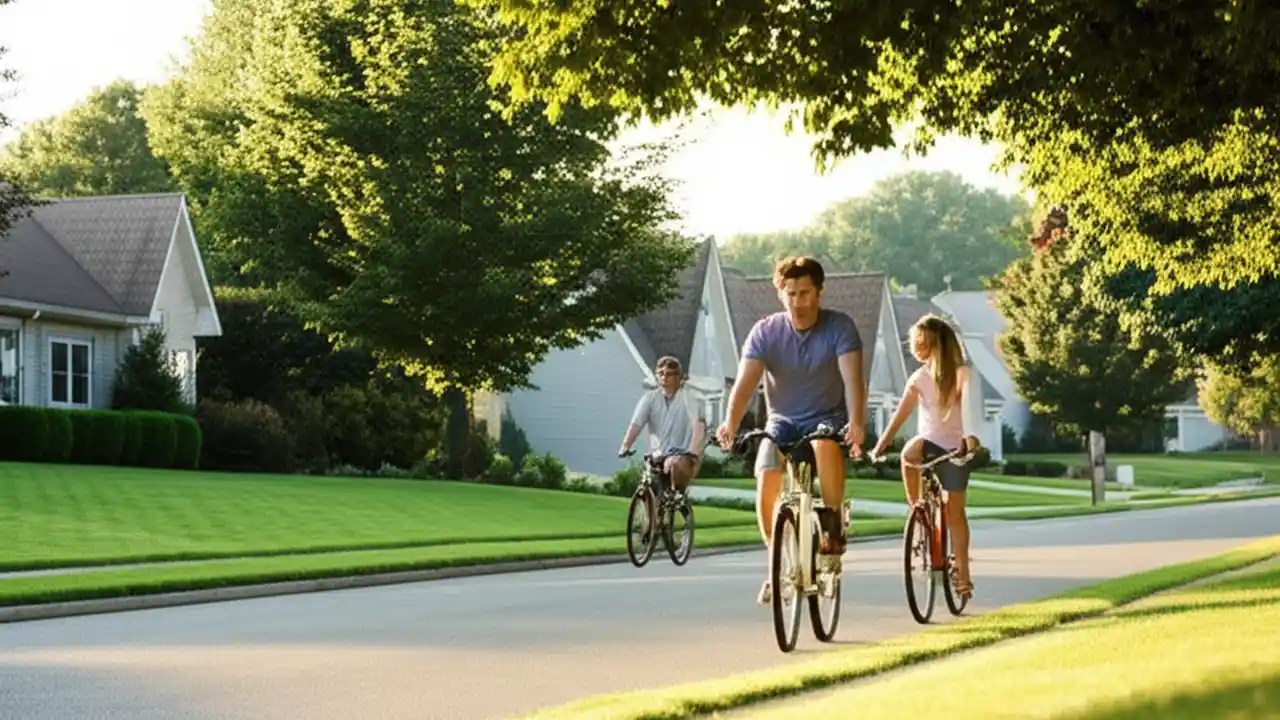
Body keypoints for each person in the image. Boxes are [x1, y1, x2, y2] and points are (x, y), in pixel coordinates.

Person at [715, 256, 866, 605]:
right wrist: (730, 423)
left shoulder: (840, 327)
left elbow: (853, 381)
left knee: (825, 442)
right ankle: (776, 563)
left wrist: (857, 423)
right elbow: (744, 385)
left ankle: (831, 528)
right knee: (767, 470)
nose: (797, 302)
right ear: (780, 294)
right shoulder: (765, 332)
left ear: (819, 292)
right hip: (782, 418)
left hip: (827, 414)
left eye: (805, 293)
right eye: (790, 294)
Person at [870, 314, 982, 599]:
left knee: (954, 513)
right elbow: (901, 414)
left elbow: (970, 410)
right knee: (910, 453)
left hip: (957, 449)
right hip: (930, 443)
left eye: (919, 342)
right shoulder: (919, 378)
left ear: (933, 344)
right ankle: (917, 508)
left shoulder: (962, 374)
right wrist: (881, 444)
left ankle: (964, 577)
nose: (914, 347)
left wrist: (970, 439)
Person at [618, 355, 707, 495]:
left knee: (674, 467)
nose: (664, 377)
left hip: (683, 453)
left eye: (669, 374)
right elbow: (637, 423)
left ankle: (677, 496)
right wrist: (625, 445)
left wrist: (694, 452)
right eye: (661, 373)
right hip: (658, 453)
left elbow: (698, 426)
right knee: (651, 485)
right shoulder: (650, 398)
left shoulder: (689, 398)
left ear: (678, 377)